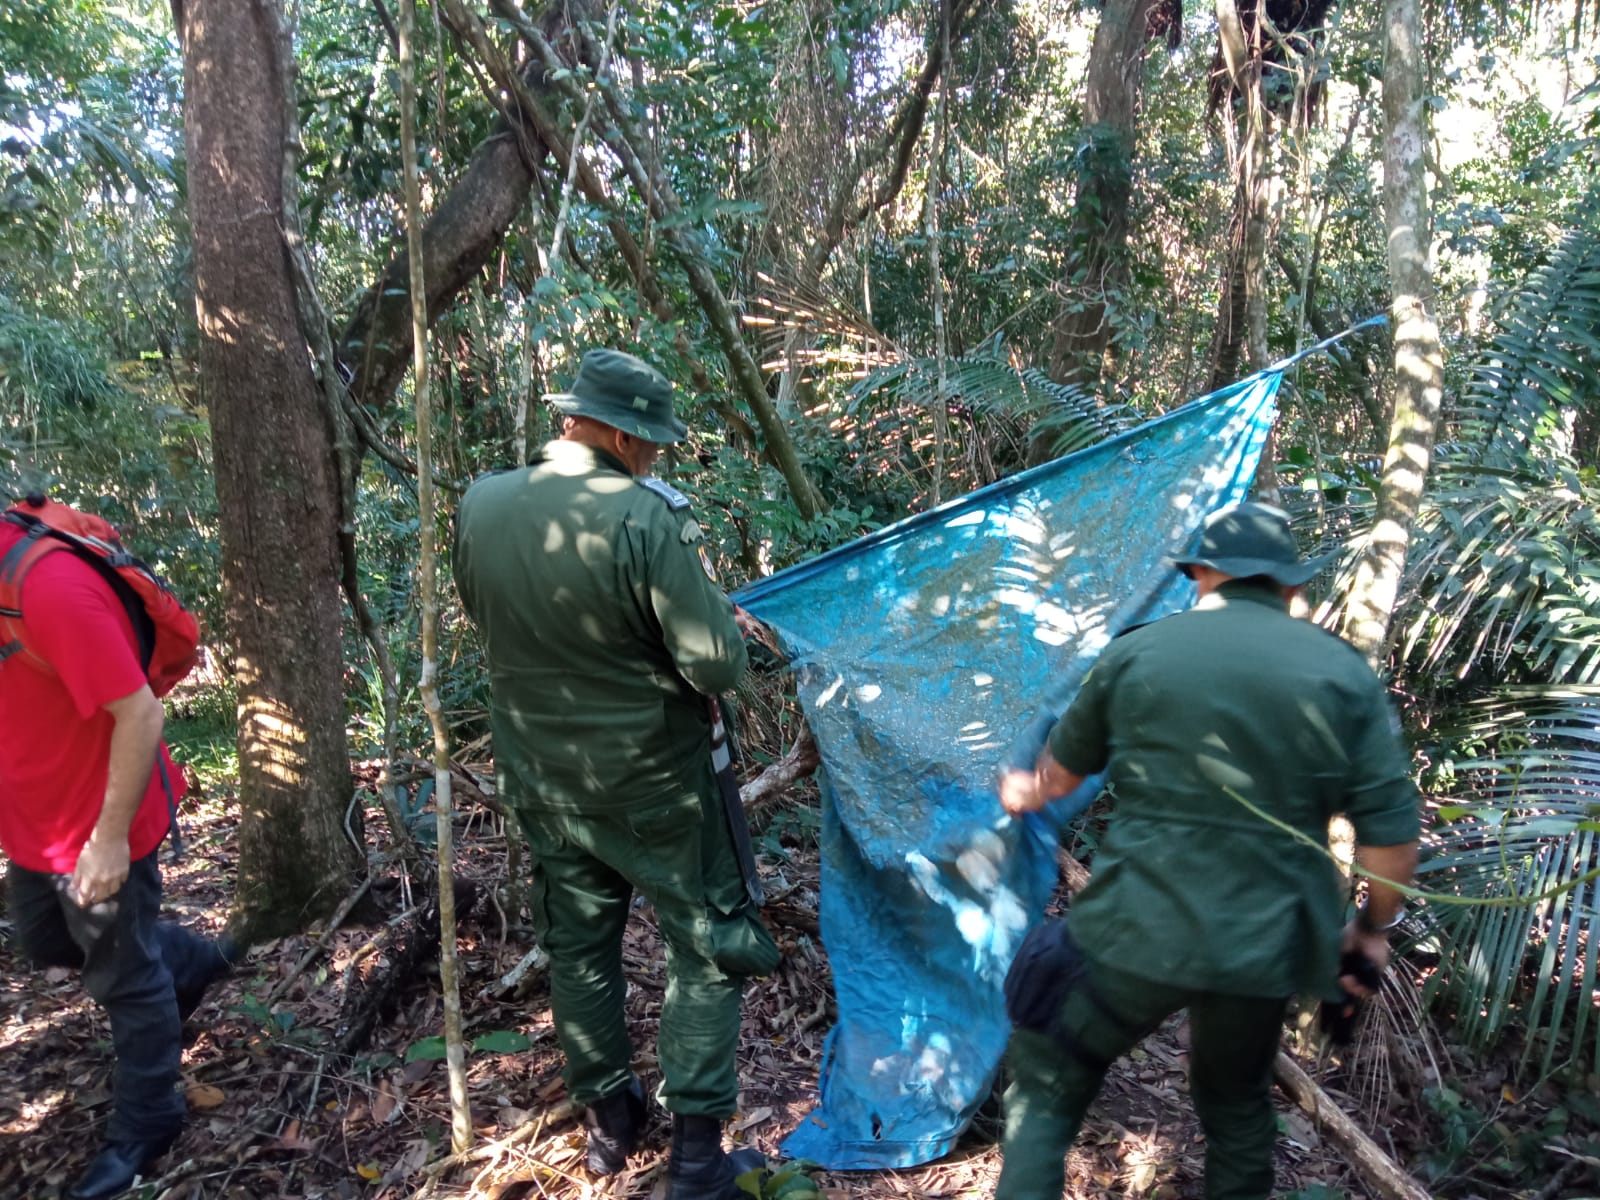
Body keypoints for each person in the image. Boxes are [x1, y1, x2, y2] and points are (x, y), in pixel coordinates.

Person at [994, 502, 1420, 1200]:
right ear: (1287, 585)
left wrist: (1021, 790)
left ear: (1201, 575)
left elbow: (1056, 780)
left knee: (1045, 1083)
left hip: (1134, 931)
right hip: (1265, 950)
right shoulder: (1342, 674)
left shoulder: (1141, 651)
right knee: (1236, 1108)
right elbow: (1393, 840)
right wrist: (1373, 931)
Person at [453, 347, 778, 1200]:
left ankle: (608, 1125)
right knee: (705, 949)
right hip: (655, 787)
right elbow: (714, 666)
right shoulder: (643, 518)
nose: (655, 456)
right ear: (624, 433)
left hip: (542, 780)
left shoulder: (482, 504)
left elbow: (486, 615)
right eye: (651, 441)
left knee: (580, 947)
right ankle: (699, 1161)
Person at [0, 511, 237, 1200]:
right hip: (35, 819)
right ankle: (187, 959)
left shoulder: (48, 587)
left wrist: (106, 840)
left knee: (123, 976)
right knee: (47, 940)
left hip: (100, 815)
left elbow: (141, 714)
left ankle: (150, 1119)